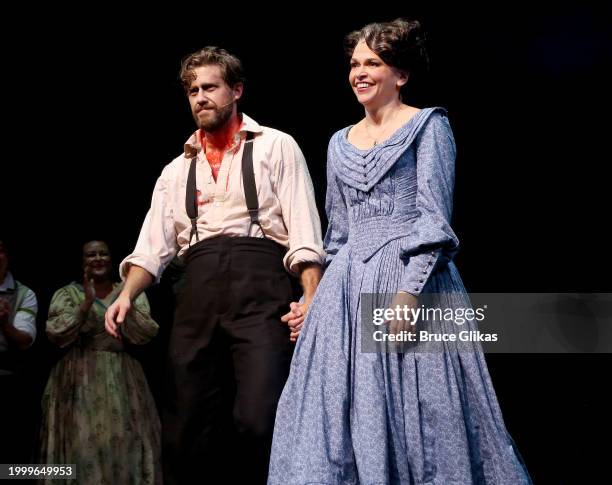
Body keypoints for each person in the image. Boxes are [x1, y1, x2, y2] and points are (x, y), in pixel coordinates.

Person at [269, 19, 532, 484]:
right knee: (331, 412)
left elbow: (433, 218)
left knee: (426, 413)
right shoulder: (337, 142)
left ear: (401, 74)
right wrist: (316, 300)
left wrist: (410, 292)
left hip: (412, 279)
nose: (360, 73)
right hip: (347, 290)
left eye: (373, 62)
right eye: (354, 64)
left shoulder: (429, 126)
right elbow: (339, 234)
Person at [104, 46, 324, 484]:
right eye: (192, 91)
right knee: (184, 429)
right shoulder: (174, 171)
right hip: (197, 293)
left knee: (259, 418)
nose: (200, 97)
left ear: (236, 91)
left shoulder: (275, 146)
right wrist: (126, 294)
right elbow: (153, 246)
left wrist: (311, 297)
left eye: (210, 87)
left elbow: (304, 229)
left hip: (261, 286)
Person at [39, 240, 161, 484]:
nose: (97, 259)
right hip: (78, 377)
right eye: (90, 255)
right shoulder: (68, 294)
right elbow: (55, 333)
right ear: (82, 261)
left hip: (121, 377)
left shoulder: (129, 291)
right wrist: (86, 303)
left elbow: (146, 333)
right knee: (82, 442)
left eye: (103, 253)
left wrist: (126, 300)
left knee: (124, 440)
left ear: (111, 258)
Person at [0, 238, 38, 464]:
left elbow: (26, 340)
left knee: (11, 459)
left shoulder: (25, 293)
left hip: (8, 384)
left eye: (0, 251)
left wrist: (4, 323)